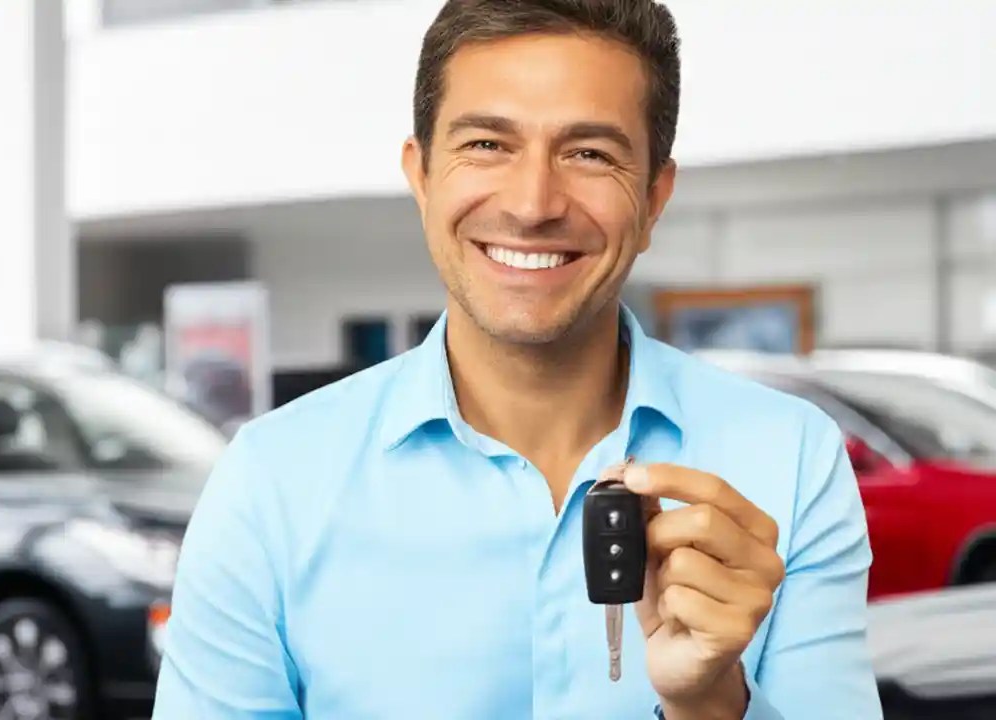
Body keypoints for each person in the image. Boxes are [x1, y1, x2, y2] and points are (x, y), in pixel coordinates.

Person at [154, 1, 882, 718]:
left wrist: (712, 705)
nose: (534, 203)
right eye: (487, 145)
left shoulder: (791, 461)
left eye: (589, 153)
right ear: (422, 176)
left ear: (655, 198)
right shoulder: (270, 484)